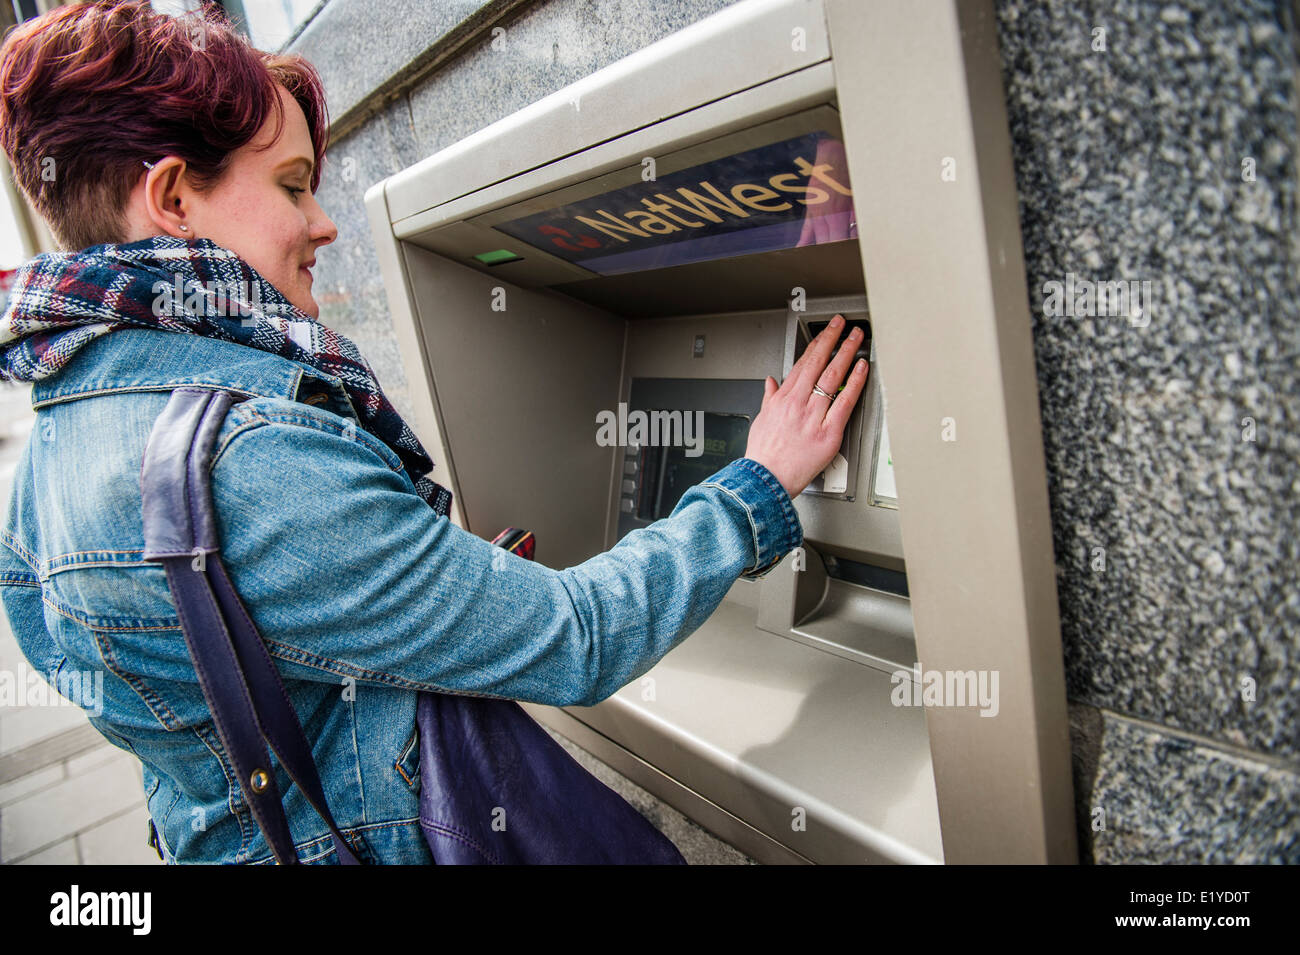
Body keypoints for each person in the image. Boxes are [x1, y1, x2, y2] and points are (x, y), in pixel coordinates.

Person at [0, 0, 869, 864]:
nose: (323, 222)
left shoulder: (50, 449)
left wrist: (427, 587)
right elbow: (577, 637)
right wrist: (760, 479)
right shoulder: (251, 453)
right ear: (174, 198)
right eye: (292, 184)